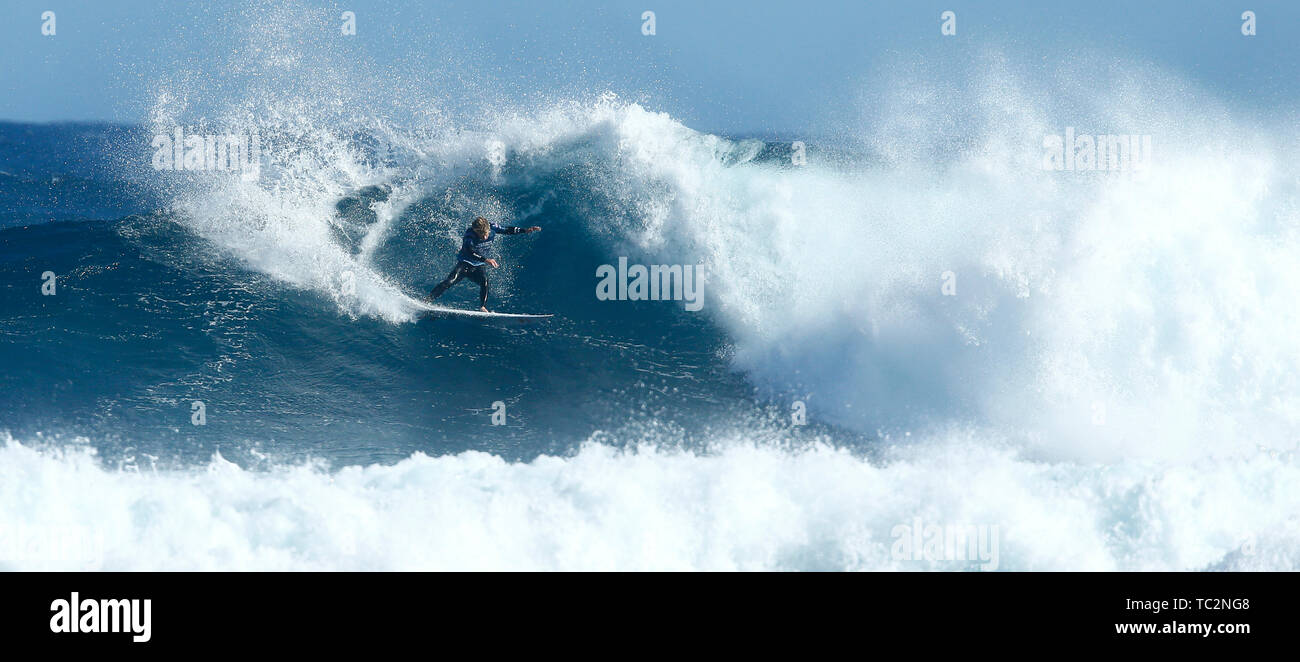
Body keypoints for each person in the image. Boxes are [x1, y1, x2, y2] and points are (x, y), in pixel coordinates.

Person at [426, 216, 541, 312]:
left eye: (485, 234)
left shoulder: (493, 227)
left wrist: (525, 230)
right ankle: (427, 301)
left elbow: (507, 230)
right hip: (465, 263)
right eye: (480, 235)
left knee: (484, 282)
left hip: (477, 266)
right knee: (449, 282)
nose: (484, 237)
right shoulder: (469, 235)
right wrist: (486, 260)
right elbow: (470, 252)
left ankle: (482, 307)